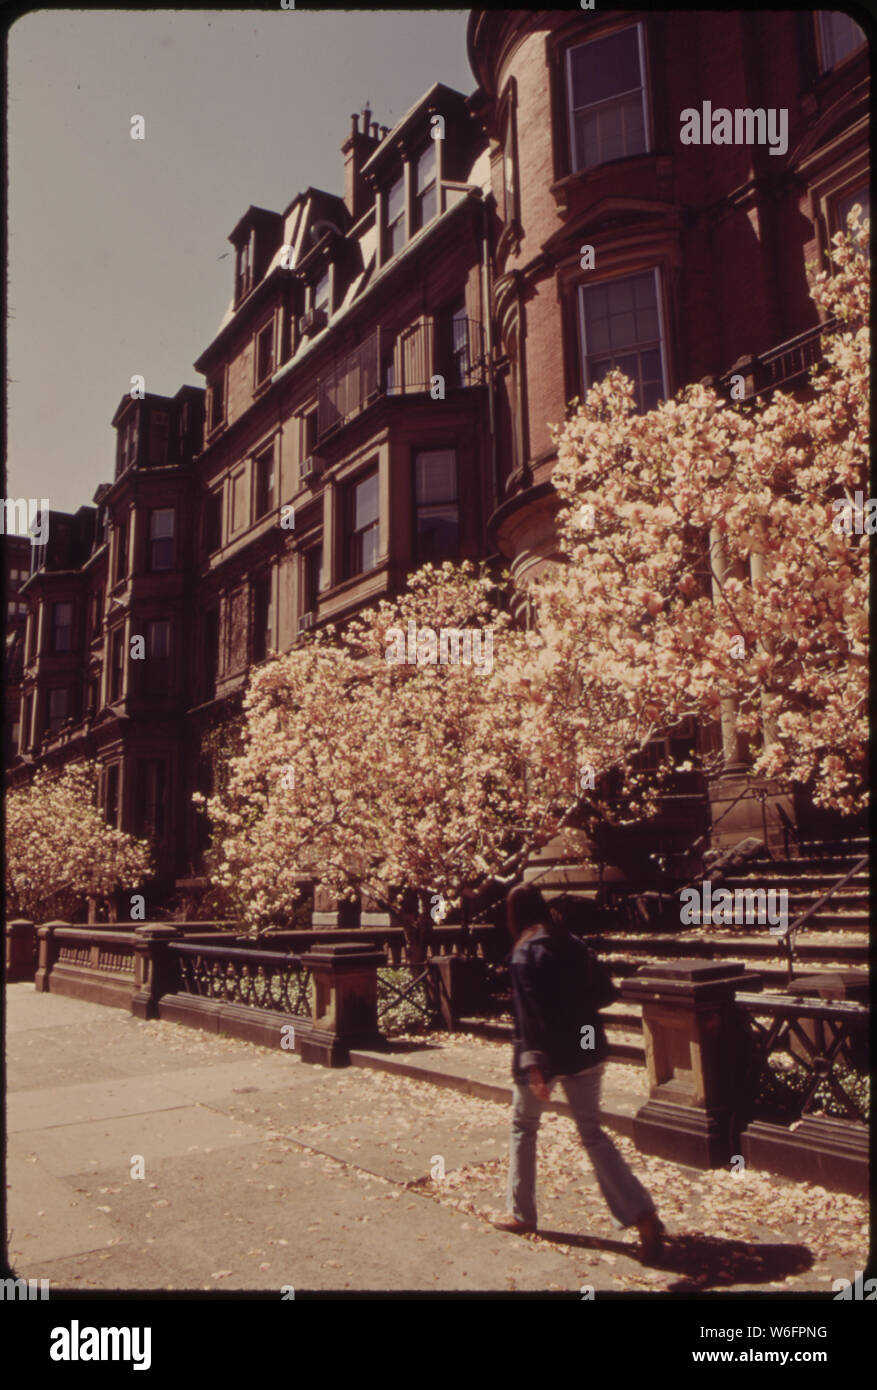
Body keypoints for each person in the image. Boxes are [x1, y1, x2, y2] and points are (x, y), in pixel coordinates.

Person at [491, 882, 665, 1262]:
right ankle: (643, 1214)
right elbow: (606, 994)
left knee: (524, 1128)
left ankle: (522, 1213)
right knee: (593, 1134)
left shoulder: (523, 953)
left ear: (514, 914)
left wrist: (535, 1064)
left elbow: (529, 1014)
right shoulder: (571, 942)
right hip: (586, 1047)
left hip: (545, 1055)